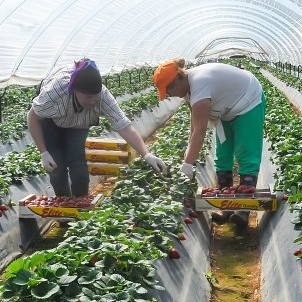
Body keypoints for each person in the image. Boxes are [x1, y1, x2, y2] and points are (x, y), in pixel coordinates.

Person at [28, 58, 167, 197]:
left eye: (95, 96)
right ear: (75, 90)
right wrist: (44, 153)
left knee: (78, 162)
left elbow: (124, 126)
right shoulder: (56, 93)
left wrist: (147, 154)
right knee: (56, 166)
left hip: (79, 122)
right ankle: (64, 204)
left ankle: (81, 203)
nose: (93, 101)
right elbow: (32, 117)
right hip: (51, 120)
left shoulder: (103, 97)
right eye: (88, 97)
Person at [154, 58, 266, 224]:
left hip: (248, 101)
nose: (170, 95)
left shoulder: (200, 84)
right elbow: (194, 126)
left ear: (178, 79)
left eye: (169, 90)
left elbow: (200, 131)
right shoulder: (188, 89)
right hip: (226, 109)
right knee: (223, 155)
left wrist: (188, 164)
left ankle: (243, 210)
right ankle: (226, 206)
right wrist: (188, 154)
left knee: (246, 153)